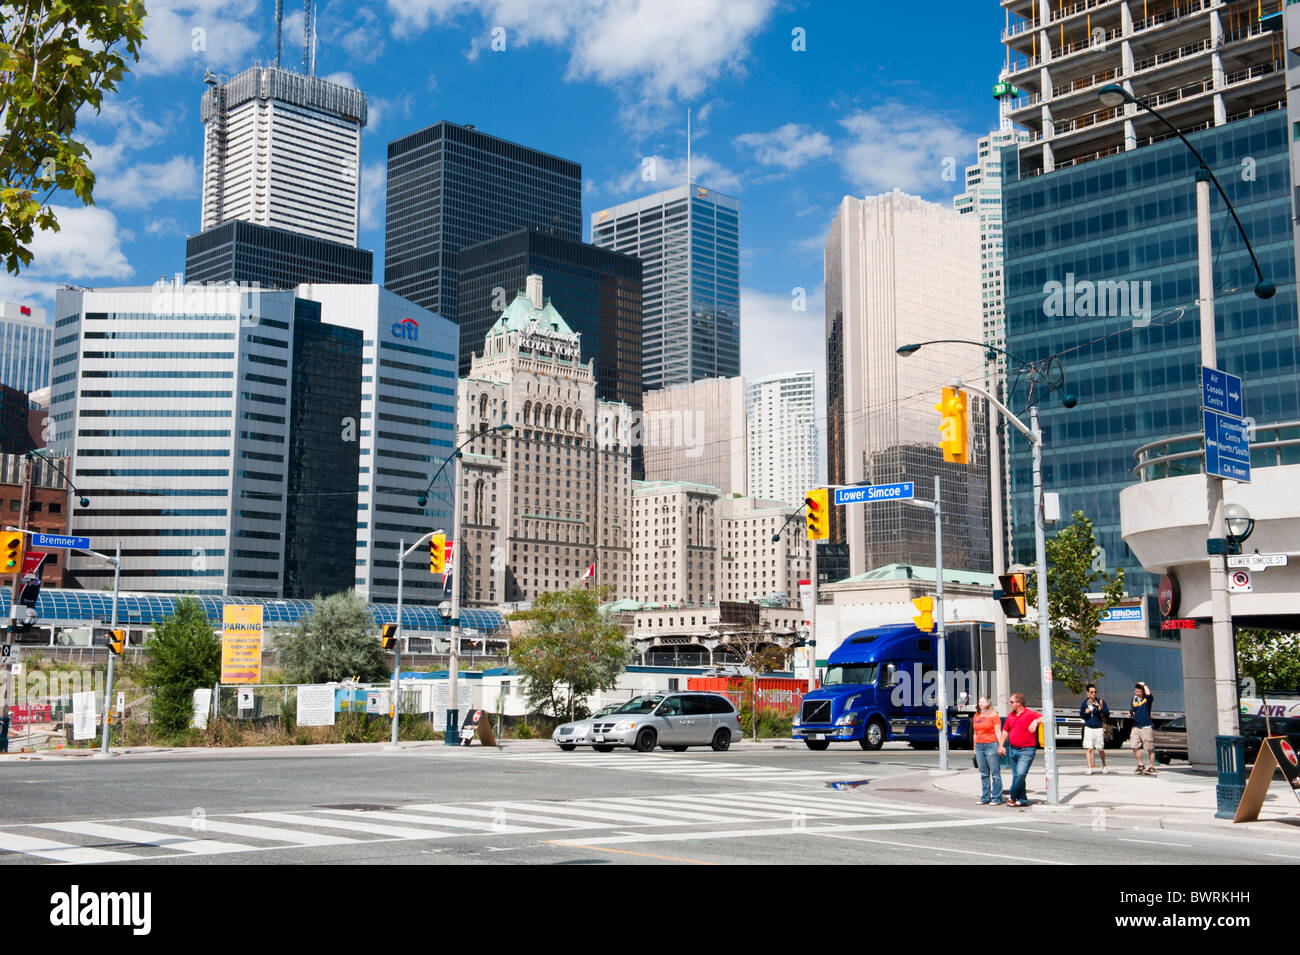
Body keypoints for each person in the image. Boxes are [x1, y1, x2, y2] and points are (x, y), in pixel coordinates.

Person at [999, 692, 1043, 807]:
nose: (1010, 704)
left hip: (1026, 750)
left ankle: (1012, 797)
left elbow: (1047, 716)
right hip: (1013, 749)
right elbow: (1005, 731)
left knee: (1020, 774)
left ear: (1019, 703)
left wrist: (1035, 721)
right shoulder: (1010, 716)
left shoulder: (1030, 714)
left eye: (1012, 702)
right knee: (1017, 776)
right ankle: (1022, 799)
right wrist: (1001, 745)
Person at [972, 696, 1004, 805]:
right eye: (979, 701)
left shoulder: (994, 715)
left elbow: (998, 732)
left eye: (983, 701)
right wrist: (974, 747)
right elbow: (975, 733)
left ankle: (996, 798)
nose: (981, 703)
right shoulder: (976, 715)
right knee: (984, 773)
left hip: (991, 745)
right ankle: (985, 797)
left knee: (995, 773)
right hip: (979, 746)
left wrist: (1001, 745)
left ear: (988, 703)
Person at [1080, 684, 1110, 775]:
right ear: (1087, 693)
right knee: (1089, 748)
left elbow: (1107, 714)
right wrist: (1086, 712)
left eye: (1095, 692)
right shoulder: (1085, 703)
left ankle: (1104, 765)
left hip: (1098, 727)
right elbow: (1082, 715)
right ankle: (1089, 768)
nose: (1094, 693)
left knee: (1100, 748)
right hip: (1089, 727)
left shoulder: (1100, 701)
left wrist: (1100, 708)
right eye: (1091, 692)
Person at [1130, 681, 1156, 775]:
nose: (1137, 693)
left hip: (1146, 726)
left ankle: (1152, 767)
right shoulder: (1134, 699)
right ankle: (1140, 764)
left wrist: (1144, 685)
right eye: (1136, 691)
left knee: (1149, 748)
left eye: (1139, 691)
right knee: (1134, 745)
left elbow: (1149, 694)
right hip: (1136, 725)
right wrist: (1131, 713)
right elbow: (1133, 709)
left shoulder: (1147, 699)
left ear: (1143, 692)